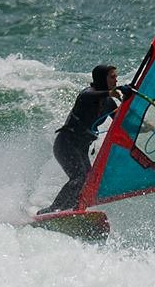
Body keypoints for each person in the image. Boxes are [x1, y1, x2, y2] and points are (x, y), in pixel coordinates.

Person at [42, 64, 131, 214]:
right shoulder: (88, 95)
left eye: (116, 77)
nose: (116, 80)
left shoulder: (109, 103)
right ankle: (52, 209)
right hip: (66, 143)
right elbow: (87, 95)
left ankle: (70, 210)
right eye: (112, 77)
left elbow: (122, 123)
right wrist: (109, 92)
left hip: (82, 147)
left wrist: (143, 127)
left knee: (89, 181)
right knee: (79, 177)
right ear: (101, 79)